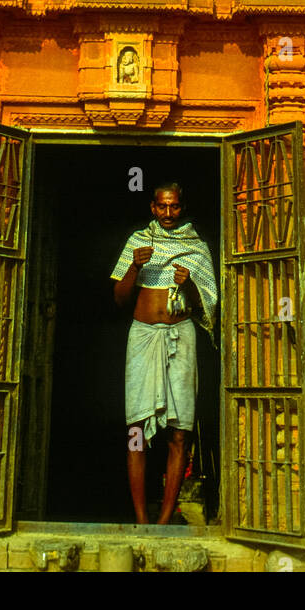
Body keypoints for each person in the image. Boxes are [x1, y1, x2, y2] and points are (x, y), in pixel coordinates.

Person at [110, 182, 217, 524]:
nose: (168, 213)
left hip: (181, 336)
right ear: (152, 208)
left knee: (180, 431)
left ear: (181, 207)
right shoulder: (138, 242)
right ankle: (142, 520)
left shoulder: (196, 247)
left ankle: (165, 520)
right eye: (162, 206)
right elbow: (119, 300)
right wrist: (134, 268)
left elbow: (209, 307)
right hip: (142, 336)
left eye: (174, 206)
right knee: (136, 430)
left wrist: (189, 284)